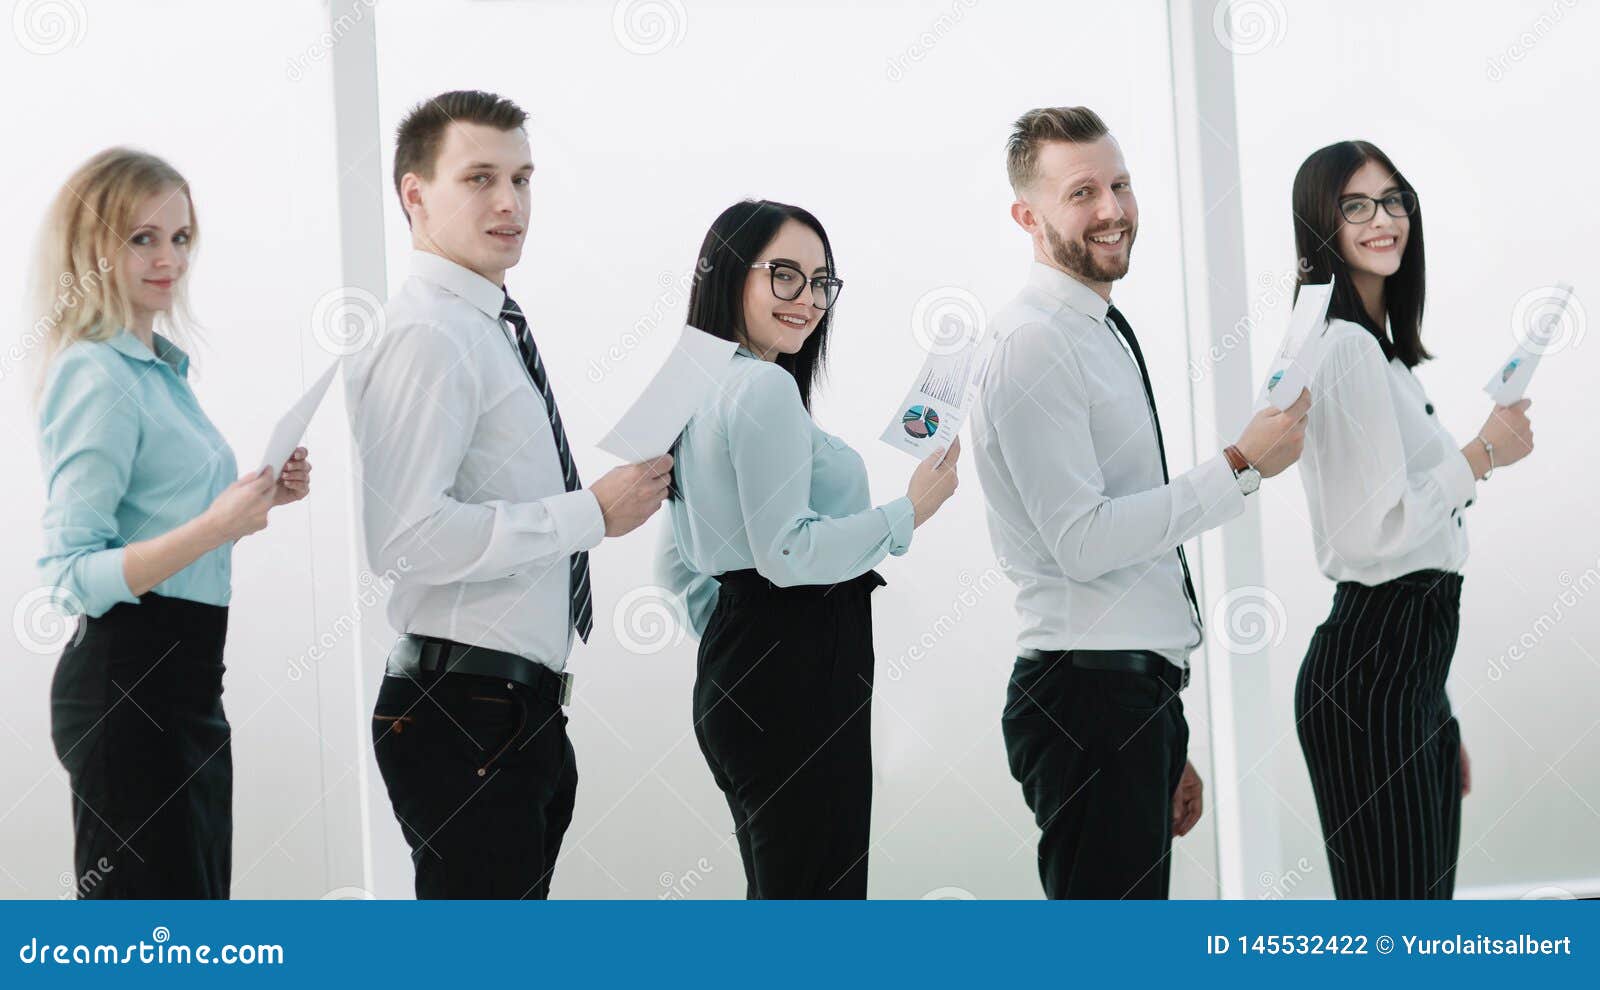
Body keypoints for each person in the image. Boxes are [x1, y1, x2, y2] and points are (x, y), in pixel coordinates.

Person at [971, 107, 1309, 899]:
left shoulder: (1095, 327)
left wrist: (1163, 728)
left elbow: (1123, 532)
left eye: (1120, 185)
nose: (1113, 209)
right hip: (1091, 704)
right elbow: (1083, 542)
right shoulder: (1035, 343)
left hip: (1125, 699)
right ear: (1027, 217)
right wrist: (1238, 466)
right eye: (1082, 192)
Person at [348, 90, 672, 899]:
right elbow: (405, 540)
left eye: (522, 179)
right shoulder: (431, 333)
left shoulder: (484, 325)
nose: (509, 202)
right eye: (480, 178)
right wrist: (589, 514)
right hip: (465, 712)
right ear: (415, 195)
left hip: (510, 710)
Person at [654, 199, 960, 898]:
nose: (809, 300)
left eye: (822, 282)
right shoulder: (761, 387)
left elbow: (673, 566)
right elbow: (786, 553)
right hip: (795, 675)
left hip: (741, 670)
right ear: (730, 273)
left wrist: (741, 644)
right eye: (785, 275)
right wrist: (910, 510)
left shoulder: (696, 384)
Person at [34, 148, 311, 898]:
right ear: (92, 250)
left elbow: (168, 524)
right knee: (151, 942)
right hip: (129, 688)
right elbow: (71, 575)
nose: (170, 259)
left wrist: (255, 502)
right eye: (142, 238)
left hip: (187, 685)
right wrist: (217, 526)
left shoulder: (160, 372)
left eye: (181, 237)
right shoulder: (96, 374)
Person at [1287, 140, 1534, 899]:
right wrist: (1482, 453)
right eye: (1355, 205)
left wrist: (1436, 711)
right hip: (1372, 680)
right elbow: (1375, 534)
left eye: (1393, 200)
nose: (1383, 219)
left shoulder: (1380, 353)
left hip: (1406, 680)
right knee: (1400, 938)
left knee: (1417, 921)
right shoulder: (1345, 350)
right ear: (1322, 225)